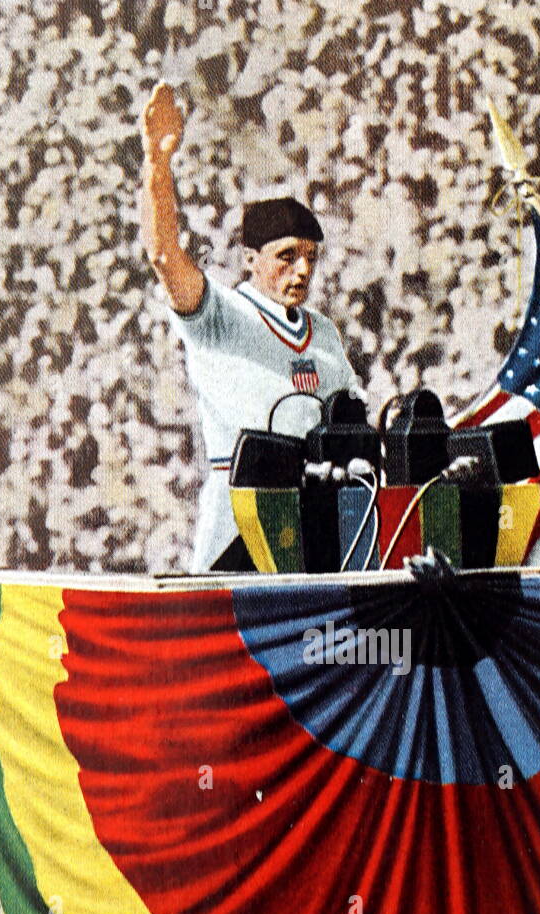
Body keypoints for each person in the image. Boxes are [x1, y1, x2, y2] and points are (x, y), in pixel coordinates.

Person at [140, 82, 361, 572]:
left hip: (317, 522)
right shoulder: (221, 316)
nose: (302, 271)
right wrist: (157, 163)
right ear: (250, 259)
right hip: (241, 523)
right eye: (287, 257)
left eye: (310, 258)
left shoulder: (323, 333)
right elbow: (163, 255)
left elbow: (353, 420)